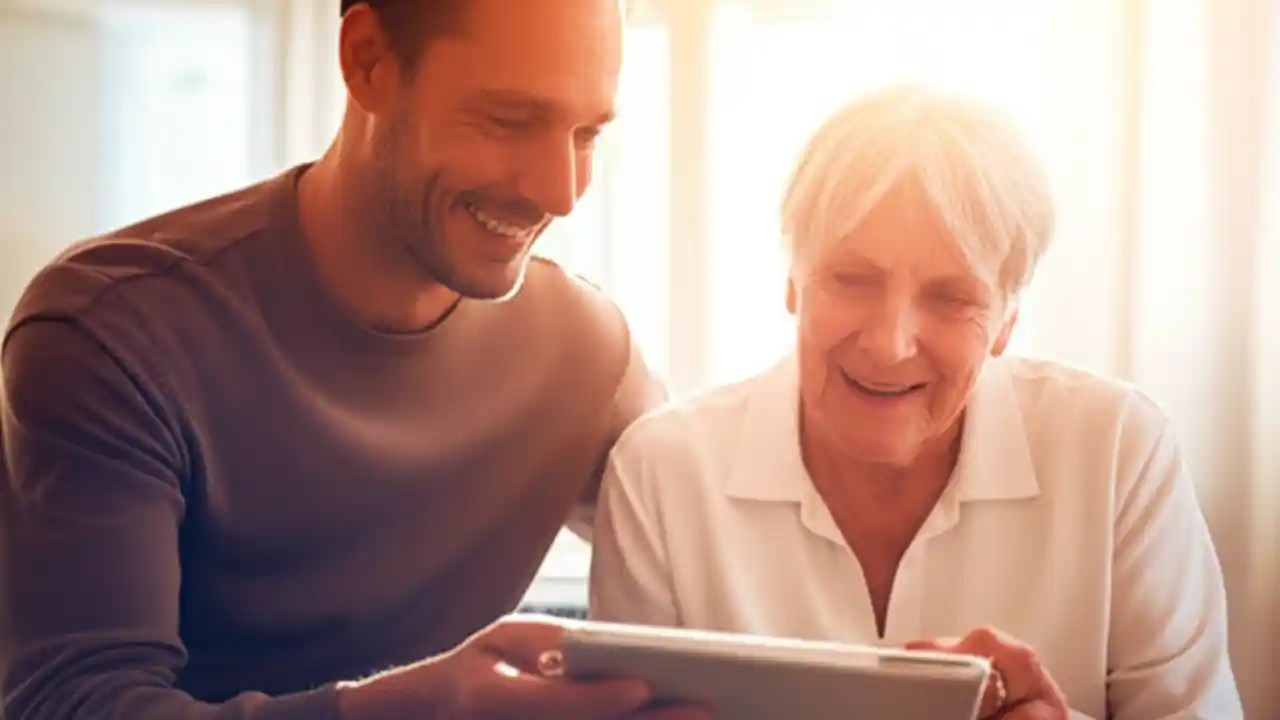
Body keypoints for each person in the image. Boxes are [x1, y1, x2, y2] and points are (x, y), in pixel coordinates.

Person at [0, 1, 706, 718]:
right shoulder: (114, 332)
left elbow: (708, 517)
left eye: (587, 134)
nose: (560, 191)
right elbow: (72, 705)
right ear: (366, 59)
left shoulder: (585, 354)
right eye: (508, 120)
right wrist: (412, 709)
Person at [588, 85, 1244, 719]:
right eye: (851, 278)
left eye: (952, 297)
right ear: (792, 283)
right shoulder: (662, 472)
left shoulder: (1118, 452)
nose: (889, 344)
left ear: (1007, 322)